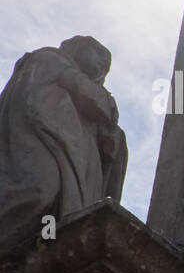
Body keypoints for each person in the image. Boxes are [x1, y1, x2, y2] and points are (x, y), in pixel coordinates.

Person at [0, 36, 127, 256]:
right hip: (37, 140)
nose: (102, 65)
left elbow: (110, 135)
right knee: (41, 189)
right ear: (78, 48)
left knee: (66, 212)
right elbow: (90, 95)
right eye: (98, 54)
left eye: (106, 65)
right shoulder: (49, 59)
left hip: (68, 154)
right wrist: (107, 105)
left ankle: (37, 254)